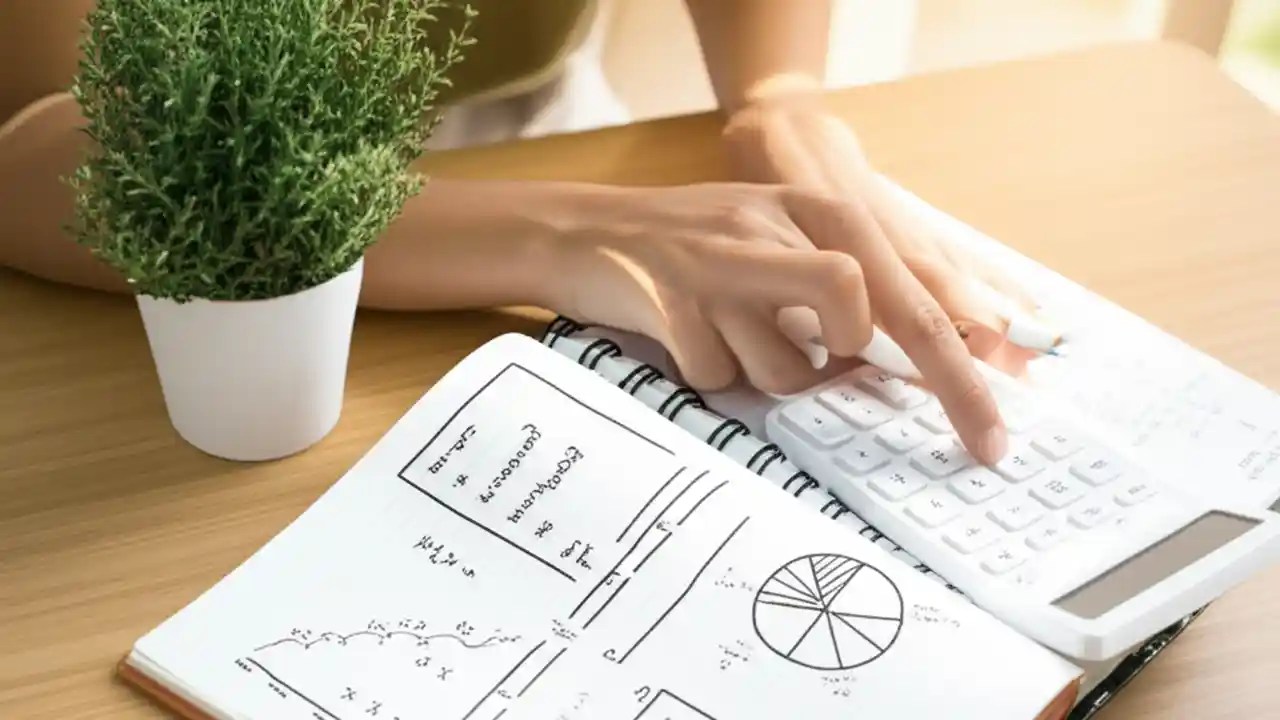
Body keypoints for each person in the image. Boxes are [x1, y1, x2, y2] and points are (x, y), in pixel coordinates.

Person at [0, 0, 1033, 465]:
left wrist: (782, 104)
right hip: (203, 267)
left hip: (546, 127)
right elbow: (37, 147)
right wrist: (567, 233)